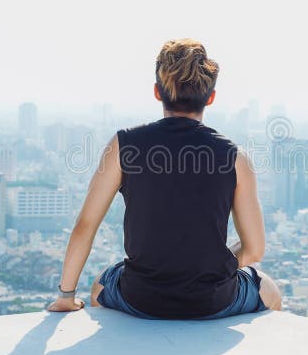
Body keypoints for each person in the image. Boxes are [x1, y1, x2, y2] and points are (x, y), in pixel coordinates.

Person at [47, 38, 282, 319]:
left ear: (158, 92)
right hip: (213, 300)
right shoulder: (235, 157)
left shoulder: (124, 145)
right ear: (210, 98)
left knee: (100, 285)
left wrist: (66, 296)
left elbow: (85, 225)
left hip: (141, 297)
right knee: (270, 290)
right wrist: (219, 267)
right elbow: (255, 249)